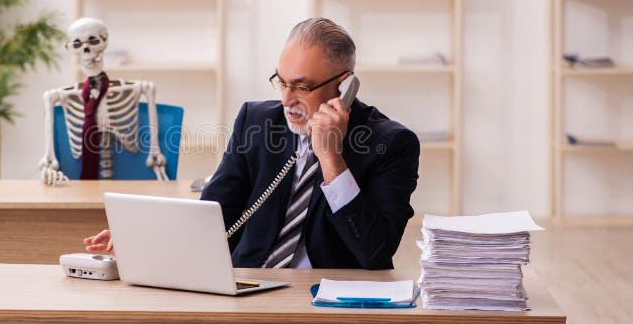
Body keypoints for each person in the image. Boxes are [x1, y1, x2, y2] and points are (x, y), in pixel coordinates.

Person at [85, 17, 420, 269]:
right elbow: (215, 211)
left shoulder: (391, 144)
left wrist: (332, 161)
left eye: (302, 87)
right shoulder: (257, 121)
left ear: (344, 86)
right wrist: (145, 236)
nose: (287, 99)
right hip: (252, 283)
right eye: (281, 82)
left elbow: (375, 253)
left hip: (329, 300)